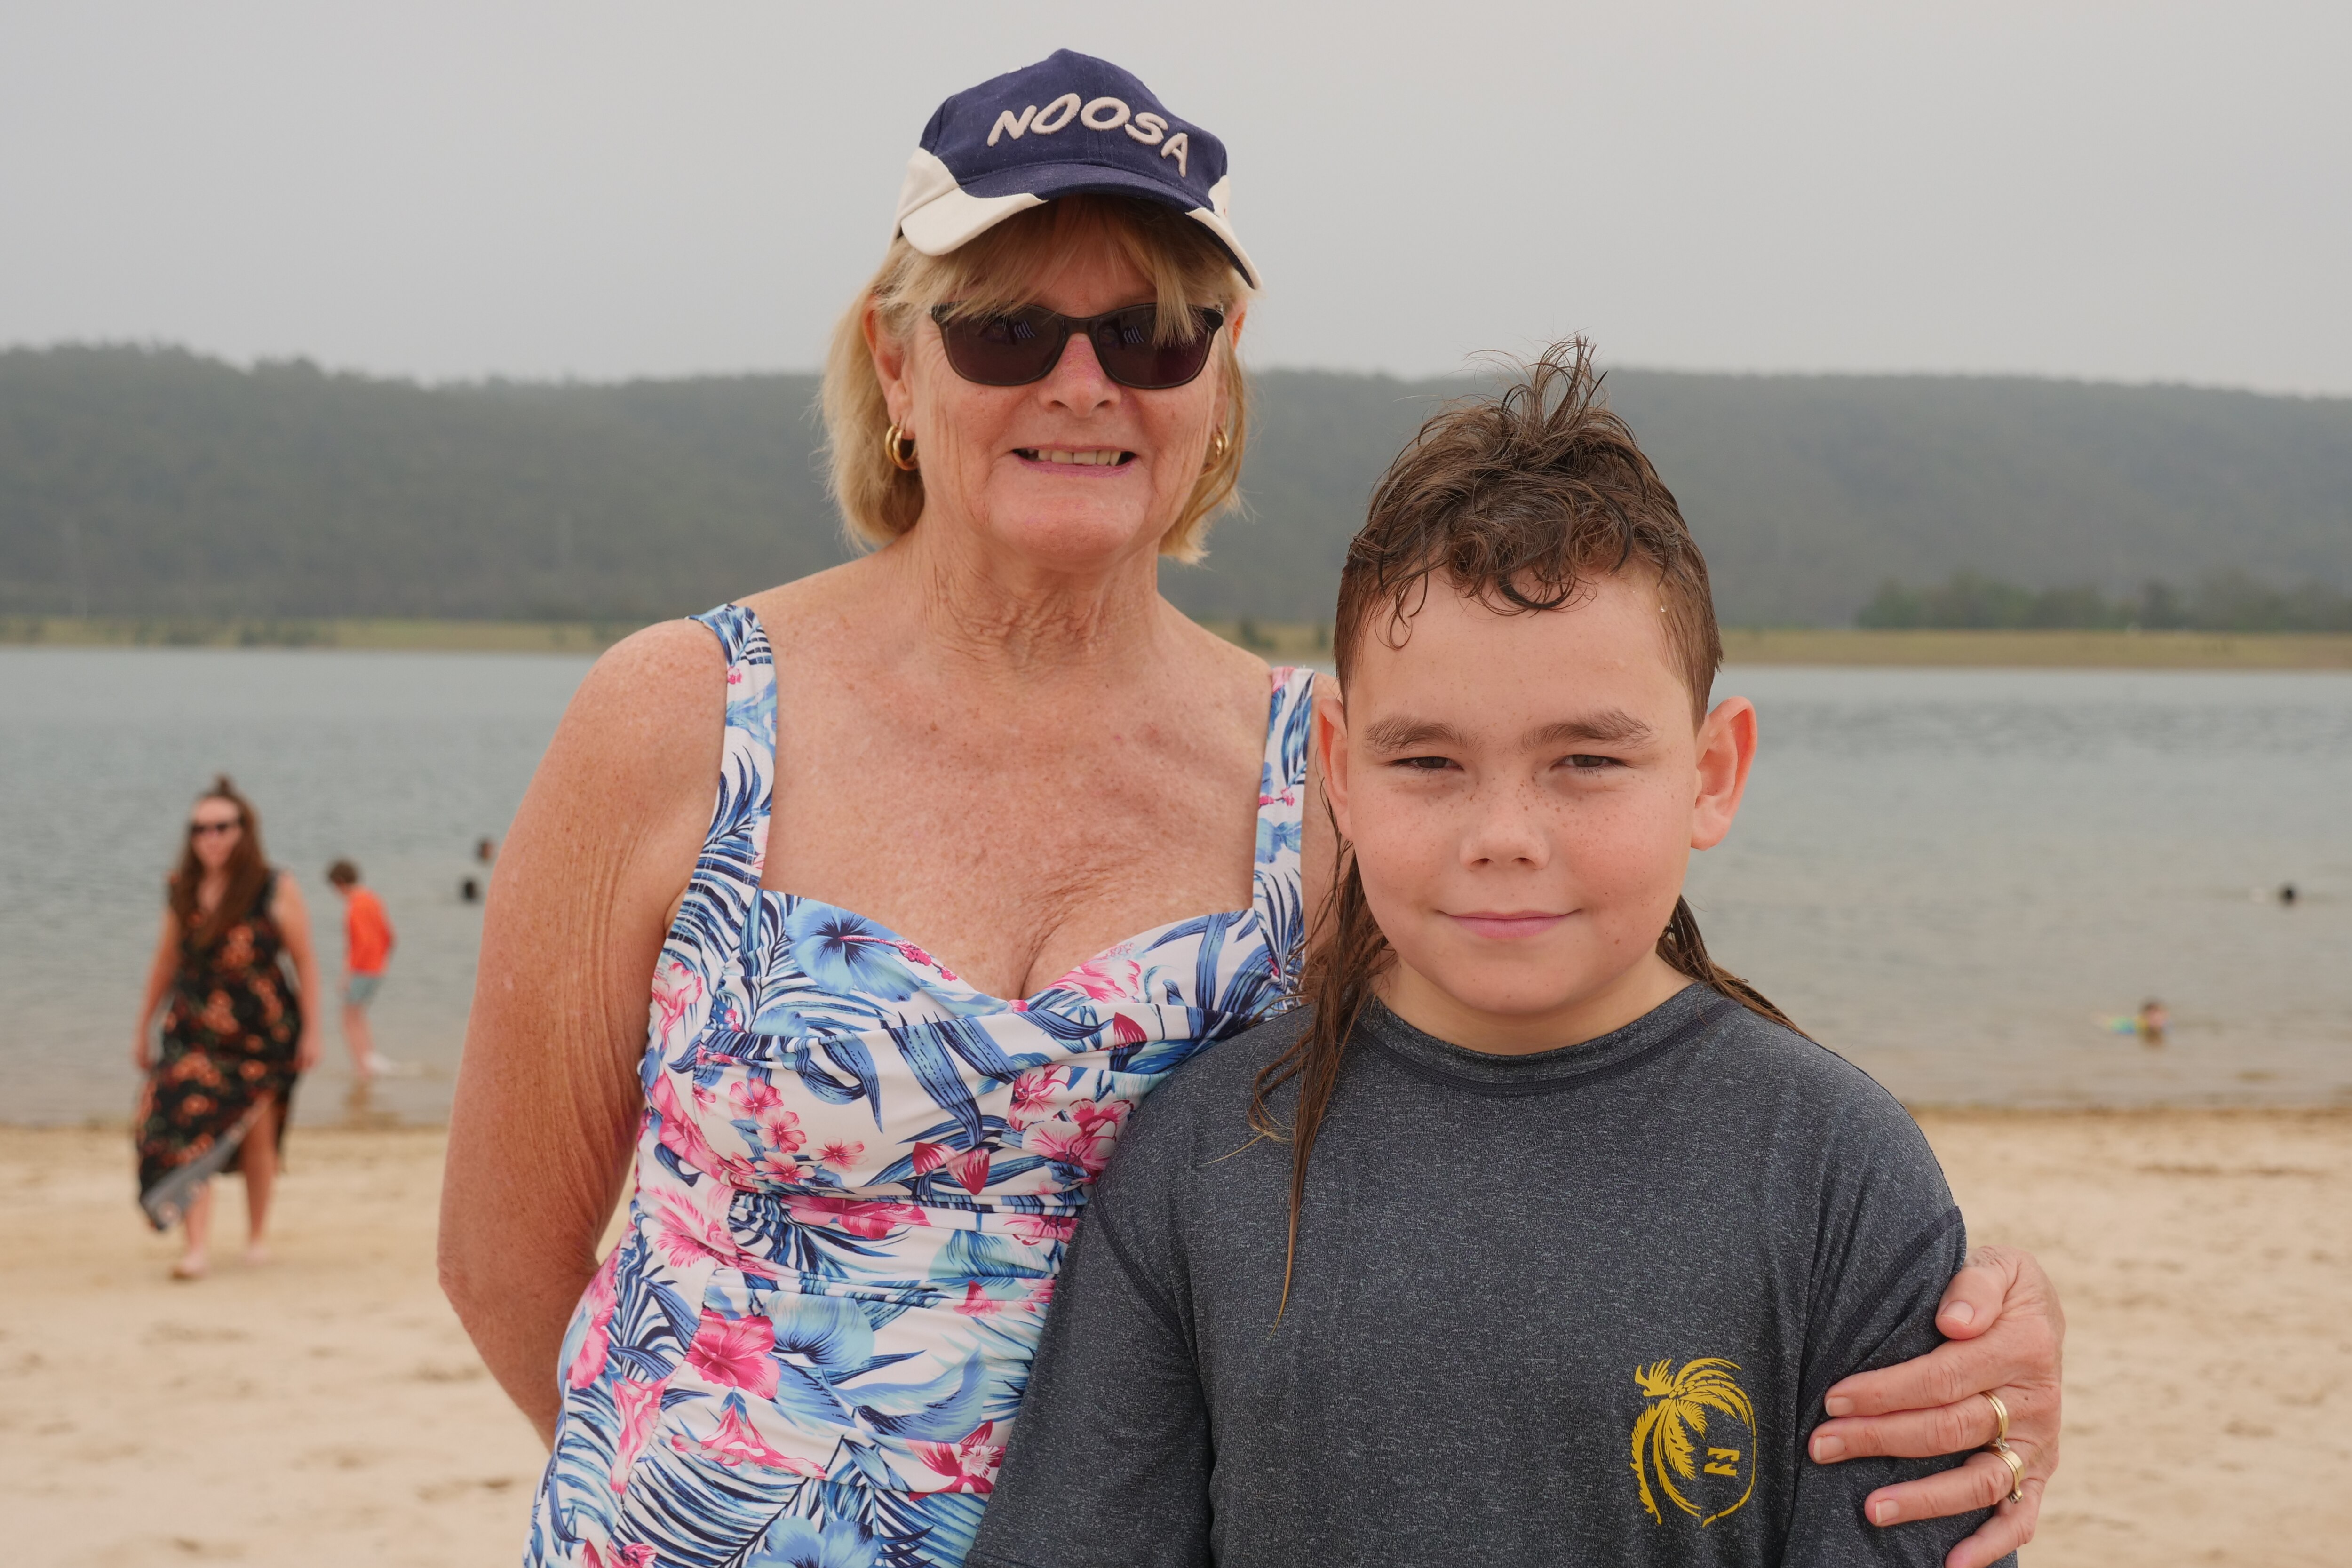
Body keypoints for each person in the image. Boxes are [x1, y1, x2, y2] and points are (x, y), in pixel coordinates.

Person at [438, 52, 2062, 1568]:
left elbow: (1600, 1067)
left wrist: (1966, 1331)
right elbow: (507, 1259)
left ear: (1214, 378)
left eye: (1153, 332)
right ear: (895, 359)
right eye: (1007, 327)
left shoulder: (1327, 778)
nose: (1084, 382)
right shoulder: (682, 719)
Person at [971, 346, 2033, 1568]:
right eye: (1428, 761)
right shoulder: (1204, 1155)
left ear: (1713, 771)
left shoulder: (1837, 1167)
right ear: (1340, 766)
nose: (1506, 838)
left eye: (1586, 759)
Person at [132, 776, 320, 1279]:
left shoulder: (276, 887)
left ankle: (255, 1238)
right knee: (186, 1126)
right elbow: (165, 961)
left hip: (261, 1035)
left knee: (257, 1136)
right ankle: (196, 1247)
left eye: (221, 827)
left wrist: (313, 1033)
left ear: (243, 830)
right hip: (193, 1030)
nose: (210, 838)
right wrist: (141, 1026)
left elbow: (305, 962)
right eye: (199, 829)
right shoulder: (182, 889)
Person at [326, 860, 396, 1077]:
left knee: (347, 1018)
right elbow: (390, 936)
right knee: (358, 1015)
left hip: (362, 970)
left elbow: (361, 943)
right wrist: (382, 962)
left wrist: (347, 974)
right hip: (378, 968)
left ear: (340, 883)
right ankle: (370, 1058)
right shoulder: (374, 900)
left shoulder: (355, 905)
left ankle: (362, 1069)